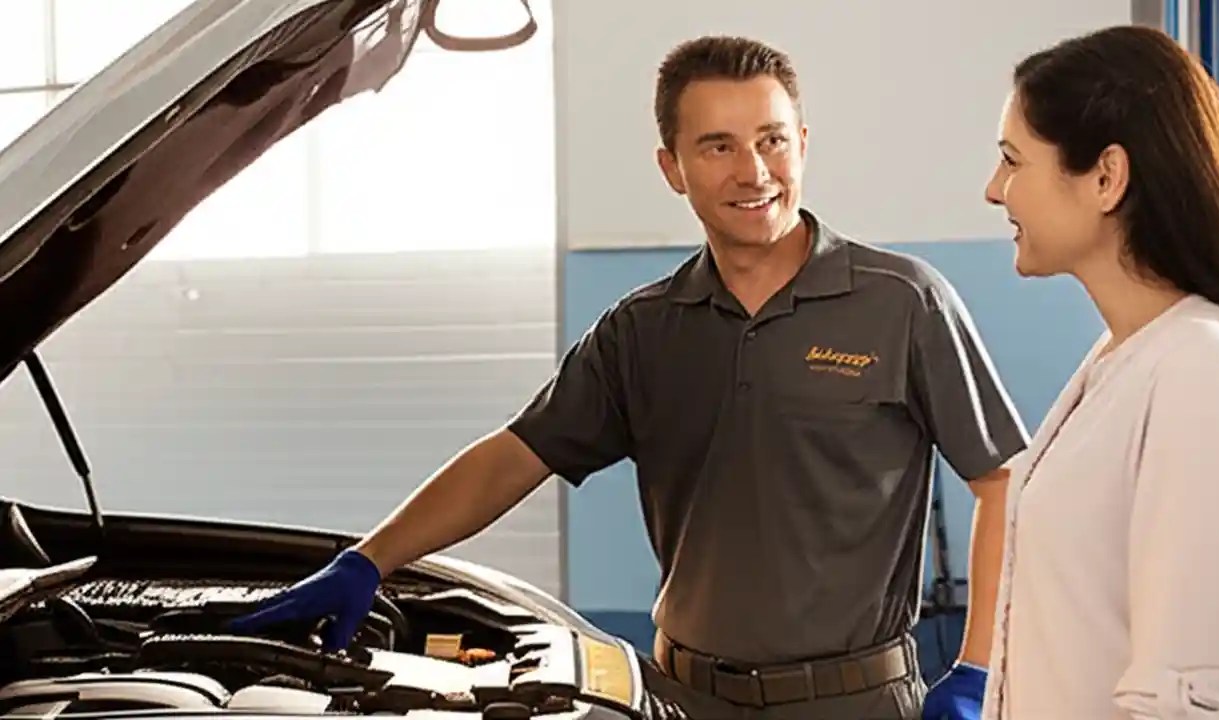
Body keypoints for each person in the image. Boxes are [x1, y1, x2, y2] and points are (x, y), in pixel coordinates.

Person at [229, 35, 1028, 719]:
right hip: (680, 696)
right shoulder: (643, 329)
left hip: (855, 703)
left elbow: (1003, 482)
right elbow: (514, 455)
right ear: (672, 167)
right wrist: (372, 559)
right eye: (718, 145)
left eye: (773, 139)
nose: (755, 170)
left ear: (803, 144)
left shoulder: (902, 301)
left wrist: (980, 667)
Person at [978, 25, 1219, 720]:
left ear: (1106, 177)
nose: (996, 191)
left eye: (1012, 161)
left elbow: (1189, 699)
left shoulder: (1205, 373)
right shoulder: (1125, 357)